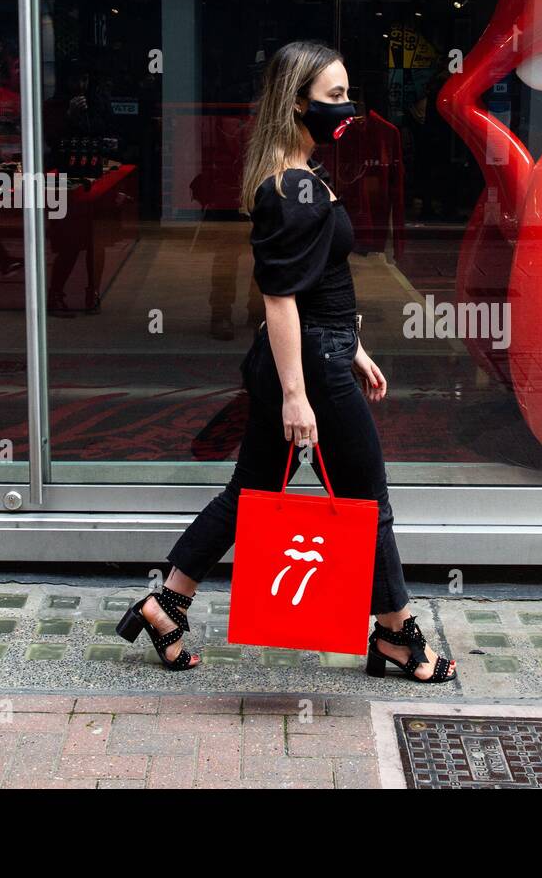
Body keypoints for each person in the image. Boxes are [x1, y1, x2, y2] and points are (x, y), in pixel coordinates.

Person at [118, 40, 456, 683]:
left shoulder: (298, 174)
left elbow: (319, 281)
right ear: (297, 103)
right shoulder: (294, 187)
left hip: (319, 354)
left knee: (251, 492)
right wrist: (298, 394)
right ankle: (396, 637)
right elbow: (279, 298)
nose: (348, 108)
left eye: (348, 94)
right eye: (335, 97)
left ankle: (167, 604)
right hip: (310, 368)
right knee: (367, 501)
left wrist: (353, 346)